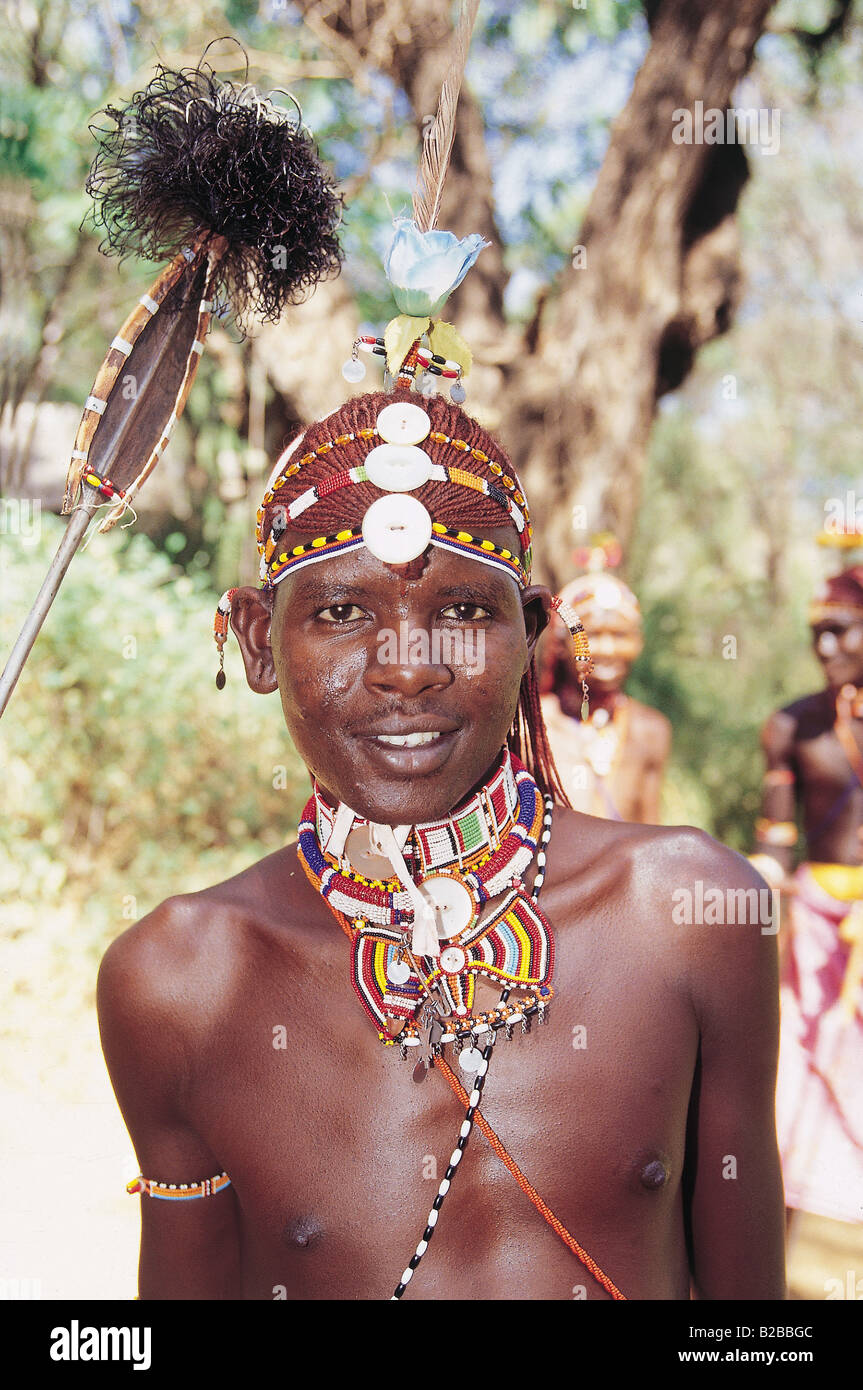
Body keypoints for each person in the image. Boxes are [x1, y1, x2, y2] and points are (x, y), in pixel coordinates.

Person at [96, 376, 785, 1300]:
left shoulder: (689, 912)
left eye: (464, 613)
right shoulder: (178, 982)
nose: (409, 669)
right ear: (259, 641)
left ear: (531, 636)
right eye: (341, 613)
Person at [755, 564, 863, 1227]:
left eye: (840, 632)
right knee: (795, 1075)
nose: (824, 648)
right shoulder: (790, 725)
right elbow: (775, 845)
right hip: (816, 926)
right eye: (815, 634)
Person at [540, 549, 671, 822]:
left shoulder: (649, 730)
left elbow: (649, 833)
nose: (608, 650)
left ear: (639, 642)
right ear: (560, 643)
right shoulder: (530, 724)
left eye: (621, 635)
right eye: (592, 636)